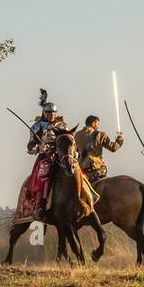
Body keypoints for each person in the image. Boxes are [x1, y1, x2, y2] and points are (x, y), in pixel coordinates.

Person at [16, 89, 68, 222]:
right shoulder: (37, 126)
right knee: (45, 176)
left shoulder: (63, 125)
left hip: (62, 156)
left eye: (54, 112)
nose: (52, 115)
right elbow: (29, 146)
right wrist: (39, 148)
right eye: (49, 112)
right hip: (45, 158)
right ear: (44, 112)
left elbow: (68, 141)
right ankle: (41, 204)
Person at [75, 115, 123, 180]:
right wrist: (119, 139)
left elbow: (75, 151)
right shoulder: (100, 135)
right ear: (93, 124)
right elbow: (113, 148)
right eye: (97, 124)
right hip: (97, 169)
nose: (98, 126)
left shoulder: (77, 135)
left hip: (83, 171)